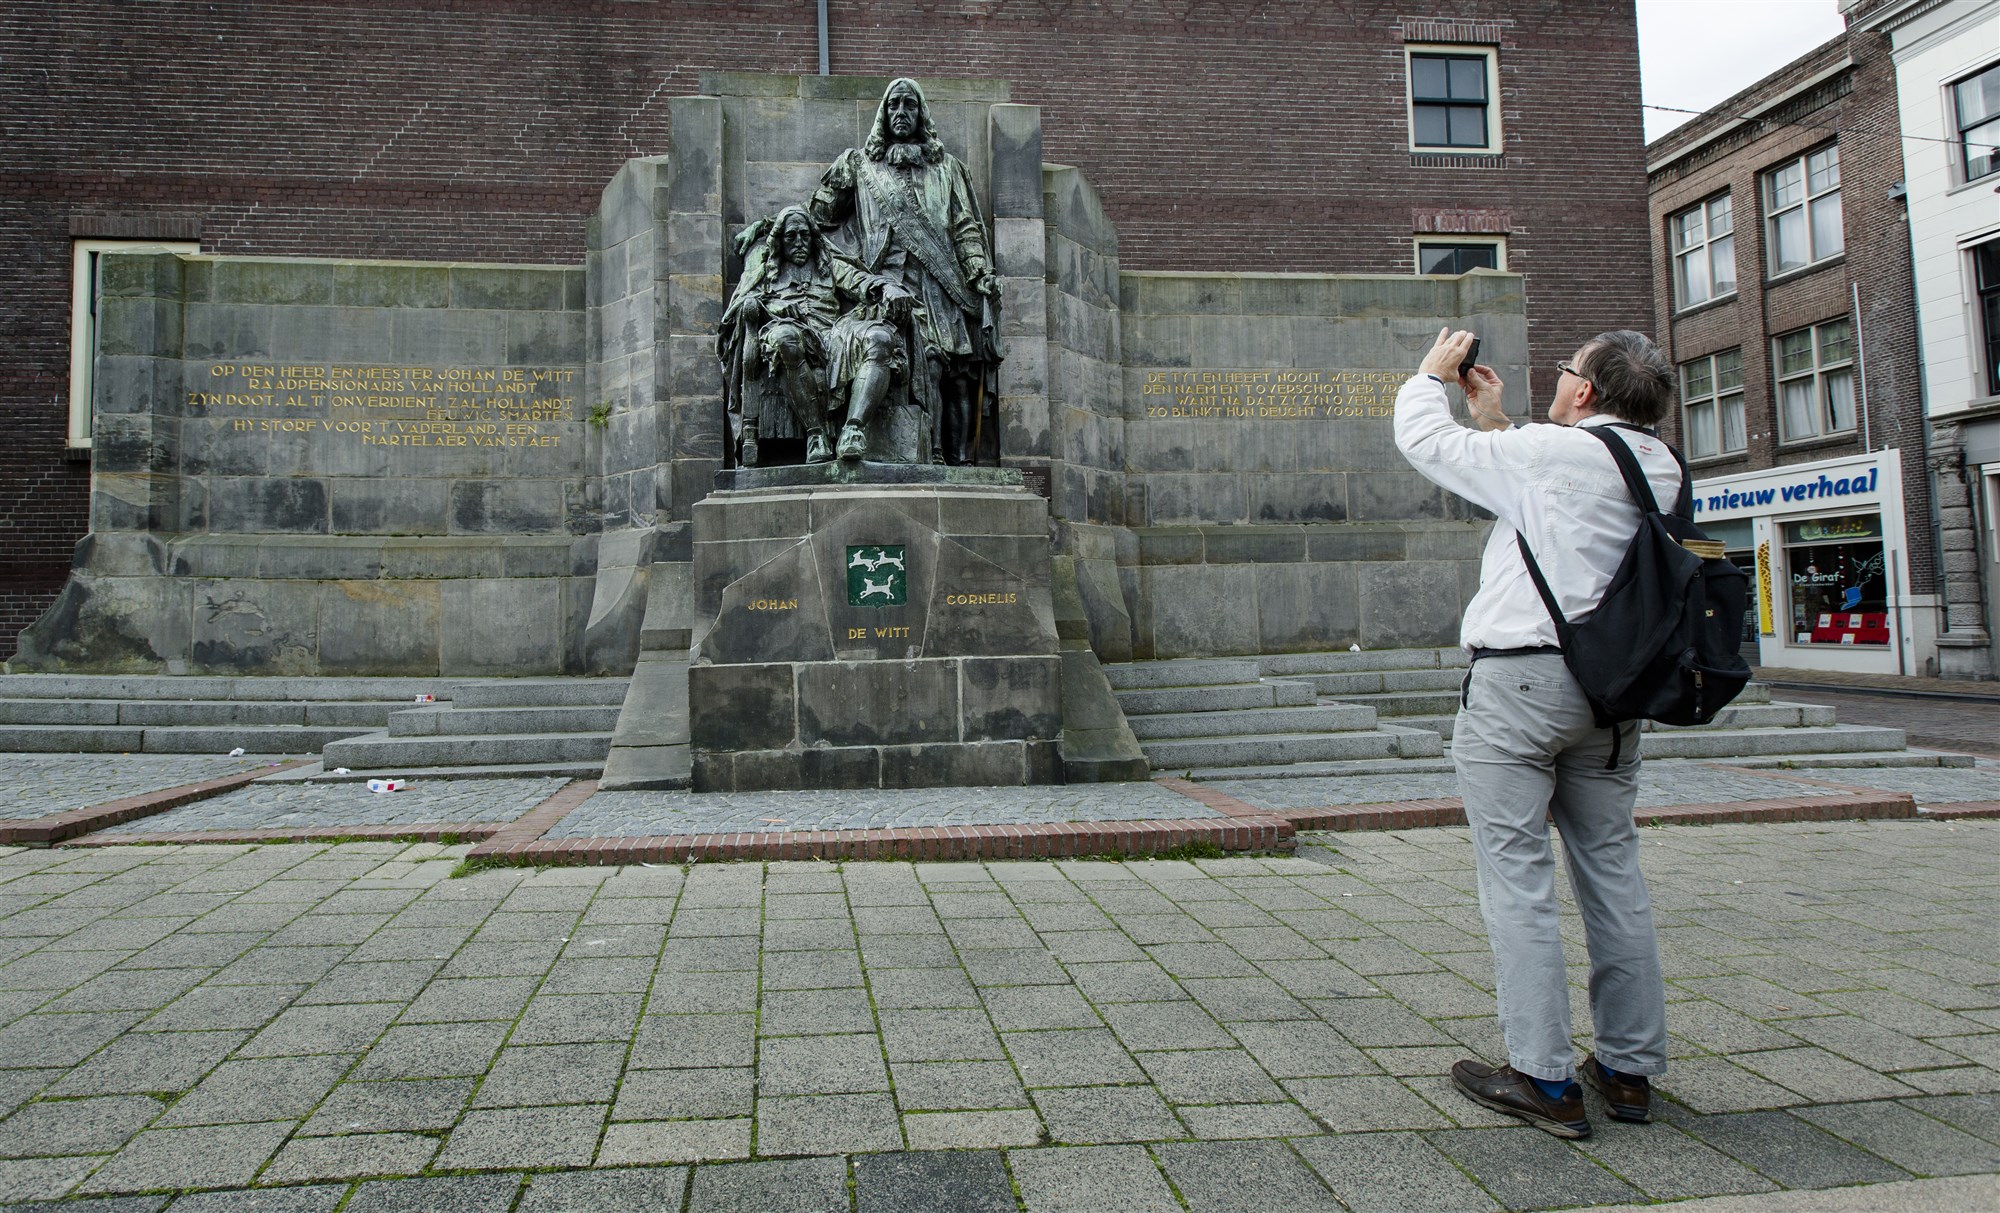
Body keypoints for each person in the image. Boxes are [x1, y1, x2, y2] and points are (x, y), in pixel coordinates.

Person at [1392, 327, 1678, 1140]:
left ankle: (1543, 1076)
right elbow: (1557, 511)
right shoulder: (1658, 466)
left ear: (1584, 394)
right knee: (1613, 874)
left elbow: (1423, 440)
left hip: (1521, 685)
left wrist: (1428, 378)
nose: (1560, 379)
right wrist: (1500, 425)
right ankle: (1627, 1070)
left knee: (1518, 879)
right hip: (1613, 695)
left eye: (1568, 371)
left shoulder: (1552, 454)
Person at [810, 77, 1001, 464]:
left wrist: (979, 272)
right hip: (889, 286)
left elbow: (965, 227)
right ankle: (929, 456)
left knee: (958, 377)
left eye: (909, 105)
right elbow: (816, 217)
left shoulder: (948, 169)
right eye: (893, 105)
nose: (901, 112)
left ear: (921, 113)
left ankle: (960, 463)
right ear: (883, 114)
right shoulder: (861, 166)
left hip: (941, 282)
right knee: (922, 366)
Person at [718, 206, 914, 467]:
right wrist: (772, 308)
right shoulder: (765, 271)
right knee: (784, 338)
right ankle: (816, 435)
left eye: (804, 236)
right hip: (790, 331)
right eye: (790, 237)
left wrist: (887, 287)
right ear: (779, 241)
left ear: (812, 238)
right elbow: (741, 307)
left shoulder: (827, 265)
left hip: (833, 334)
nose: (799, 243)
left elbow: (859, 281)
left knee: (880, 338)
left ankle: (853, 431)